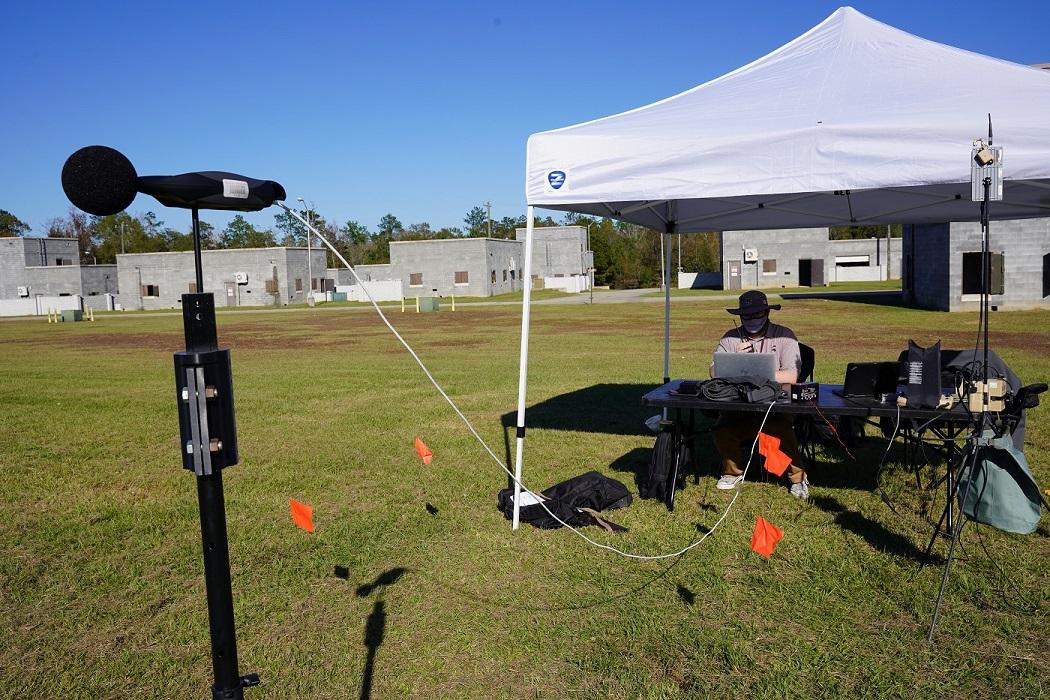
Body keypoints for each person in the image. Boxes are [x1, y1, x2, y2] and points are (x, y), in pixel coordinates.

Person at [709, 290, 808, 499]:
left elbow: (792, 375)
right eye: (747, 315)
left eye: (757, 314)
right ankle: (732, 471)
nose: (752, 319)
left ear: (766, 312)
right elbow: (714, 371)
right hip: (739, 403)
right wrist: (735, 358)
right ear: (740, 316)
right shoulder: (729, 338)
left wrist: (757, 375)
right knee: (722, 427)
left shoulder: (785, 336)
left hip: (775, 404)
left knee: (780, 428)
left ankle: (798, 478)